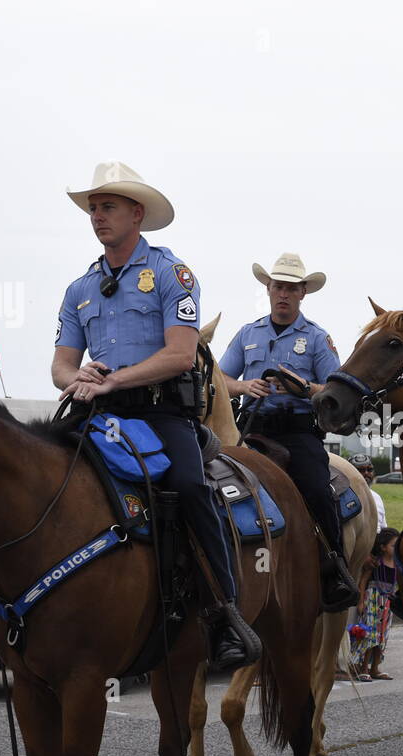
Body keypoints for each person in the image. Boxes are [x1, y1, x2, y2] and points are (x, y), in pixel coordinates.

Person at [53, 161, 261, 669]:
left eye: (108, 207)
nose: (97, 216)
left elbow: (181, 355)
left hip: (162, 413)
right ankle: (30, 609)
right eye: (93, 208)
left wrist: (116, 379)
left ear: (136, 214)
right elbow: (60, 366)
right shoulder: (79, 289)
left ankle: (224, 614)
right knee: (41, 477)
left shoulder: (172, 274)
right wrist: (76, 380)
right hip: (97, 413)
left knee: (191, 488)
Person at [219, 252, 359, 611]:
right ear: (268, 288)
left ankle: (334, 569)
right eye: (278, 286)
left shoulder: (316, 338)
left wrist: (305, 388)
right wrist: (245, 387)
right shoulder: (247, 334)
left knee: (316, 488)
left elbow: (336, 391)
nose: (283, 293)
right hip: (251, 428)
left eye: (291, 288)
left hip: (297, 432)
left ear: (303, 293)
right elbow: (220, 379)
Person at [350, 528, 400, 681]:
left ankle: (375, 668)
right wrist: (360, 602)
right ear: (383, 547)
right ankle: (363, 667)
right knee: (370, 635)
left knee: (382, 636)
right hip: (372, 599)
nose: (396, 549)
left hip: (388, 602)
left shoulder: (398, 564)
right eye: (393, 545)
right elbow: (363, 580)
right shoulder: (376, 563)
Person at [349, 453, 386, 529]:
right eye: (360, 470)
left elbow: (383, 527)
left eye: (369, 469)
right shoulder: (343, 498)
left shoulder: (377, 497)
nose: (366, 473)